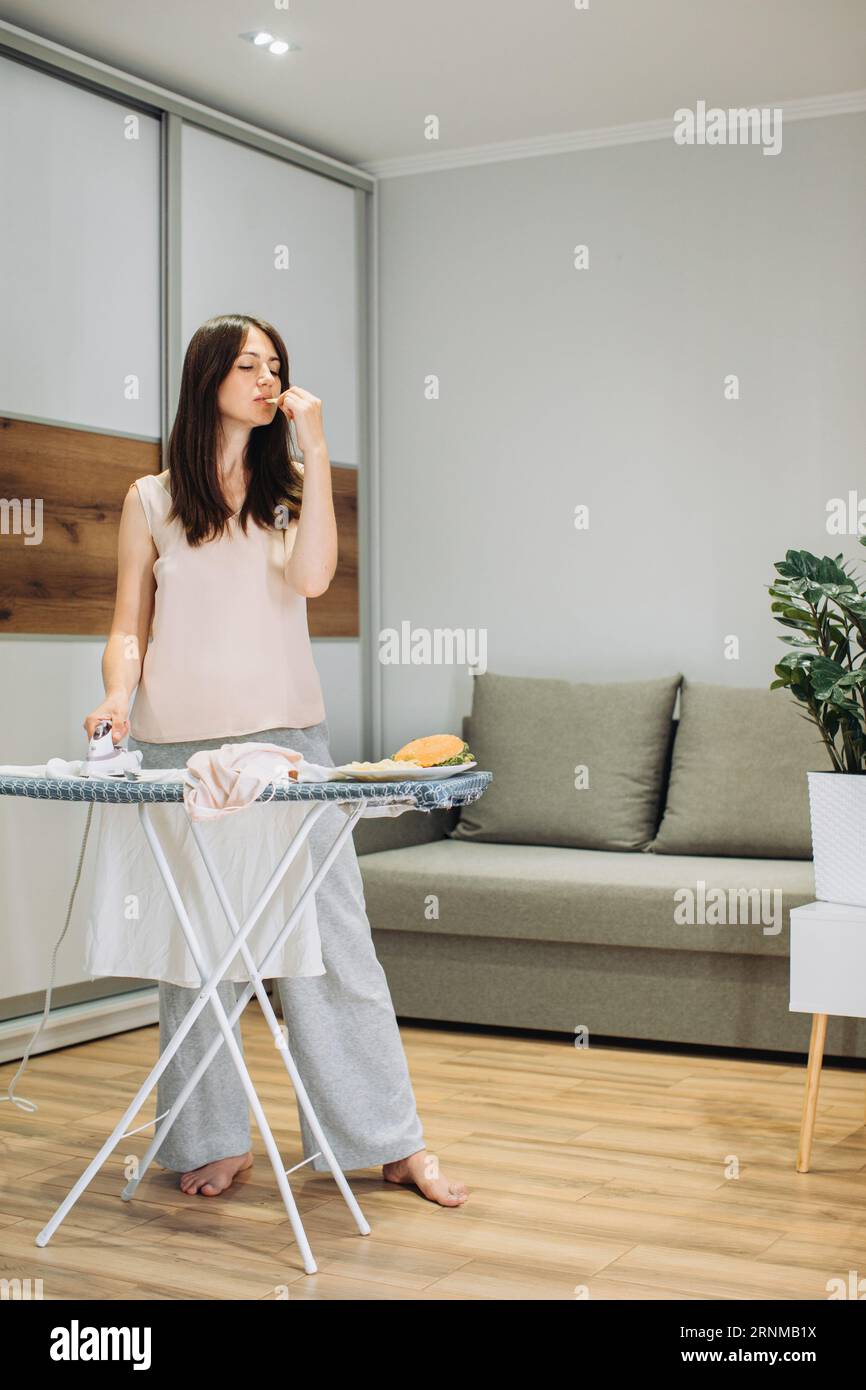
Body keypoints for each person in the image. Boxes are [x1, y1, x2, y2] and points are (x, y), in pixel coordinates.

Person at [83, 312, 468, 1208]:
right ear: (207, 376)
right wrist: (115, 694)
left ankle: (385, 1140)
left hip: (288, 746)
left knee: (333, 949)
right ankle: (208, 1139)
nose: (266, 377)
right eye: (248, 364)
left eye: (276, 365)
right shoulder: (151, 501)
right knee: (197, 953)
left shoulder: (290, 486)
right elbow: (126, 628)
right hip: (178, 748)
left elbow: (313, 580)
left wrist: (317, 443)